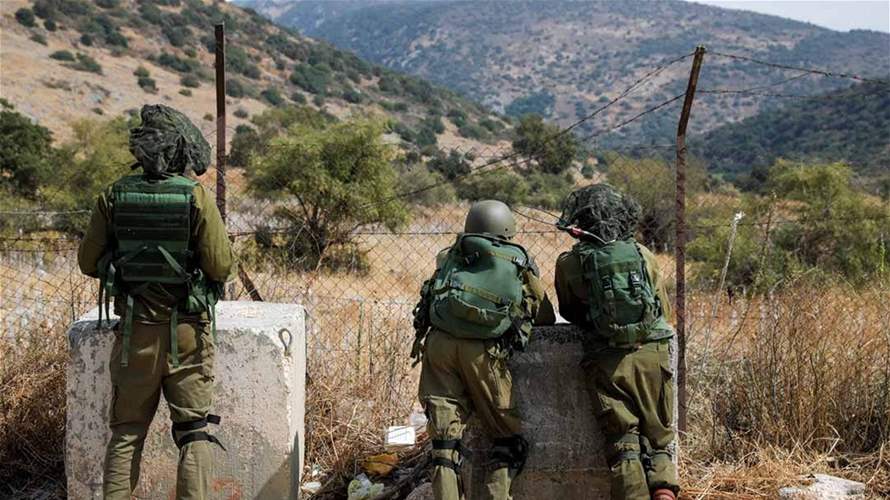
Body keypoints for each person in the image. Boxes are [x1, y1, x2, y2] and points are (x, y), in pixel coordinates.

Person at [78, 104, 233, 500]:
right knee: (193, 432)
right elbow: (219, 267)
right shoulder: (195, 195)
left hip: (135, 335)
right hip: (187, 335)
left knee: (127, 432)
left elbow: (87, 262)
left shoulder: (113, 194)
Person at [411, 200, 555, 500]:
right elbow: (545, 316)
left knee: (444, 445)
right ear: (506, 228)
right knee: (508, 439)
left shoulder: (451, 254)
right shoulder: (517, 260)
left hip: (439, 346)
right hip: (484, 354)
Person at [554, 184, 679, 500]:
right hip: (653, 352)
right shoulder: (642, 253)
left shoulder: (569, 262)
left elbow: (569, 311)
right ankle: (664, 492)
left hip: (607, 359)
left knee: (623, 442)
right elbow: (661, 308)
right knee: (658, 435)